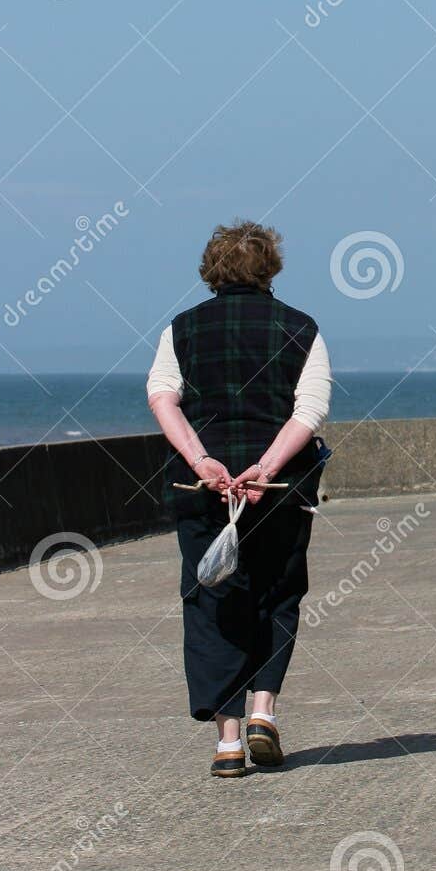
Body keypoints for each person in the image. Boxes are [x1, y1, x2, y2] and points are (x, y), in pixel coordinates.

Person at [146, 220, 331, 779]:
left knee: (212, 600)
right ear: (270, 267)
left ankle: (227, 742)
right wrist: (266, 467)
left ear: (212, 270)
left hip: (202, 489)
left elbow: (162, 397)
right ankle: (264, 712)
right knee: (278, 594)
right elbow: (310, 408)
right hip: (278, 490)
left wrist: (203, 461)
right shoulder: (301, 328)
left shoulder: (181, 328)